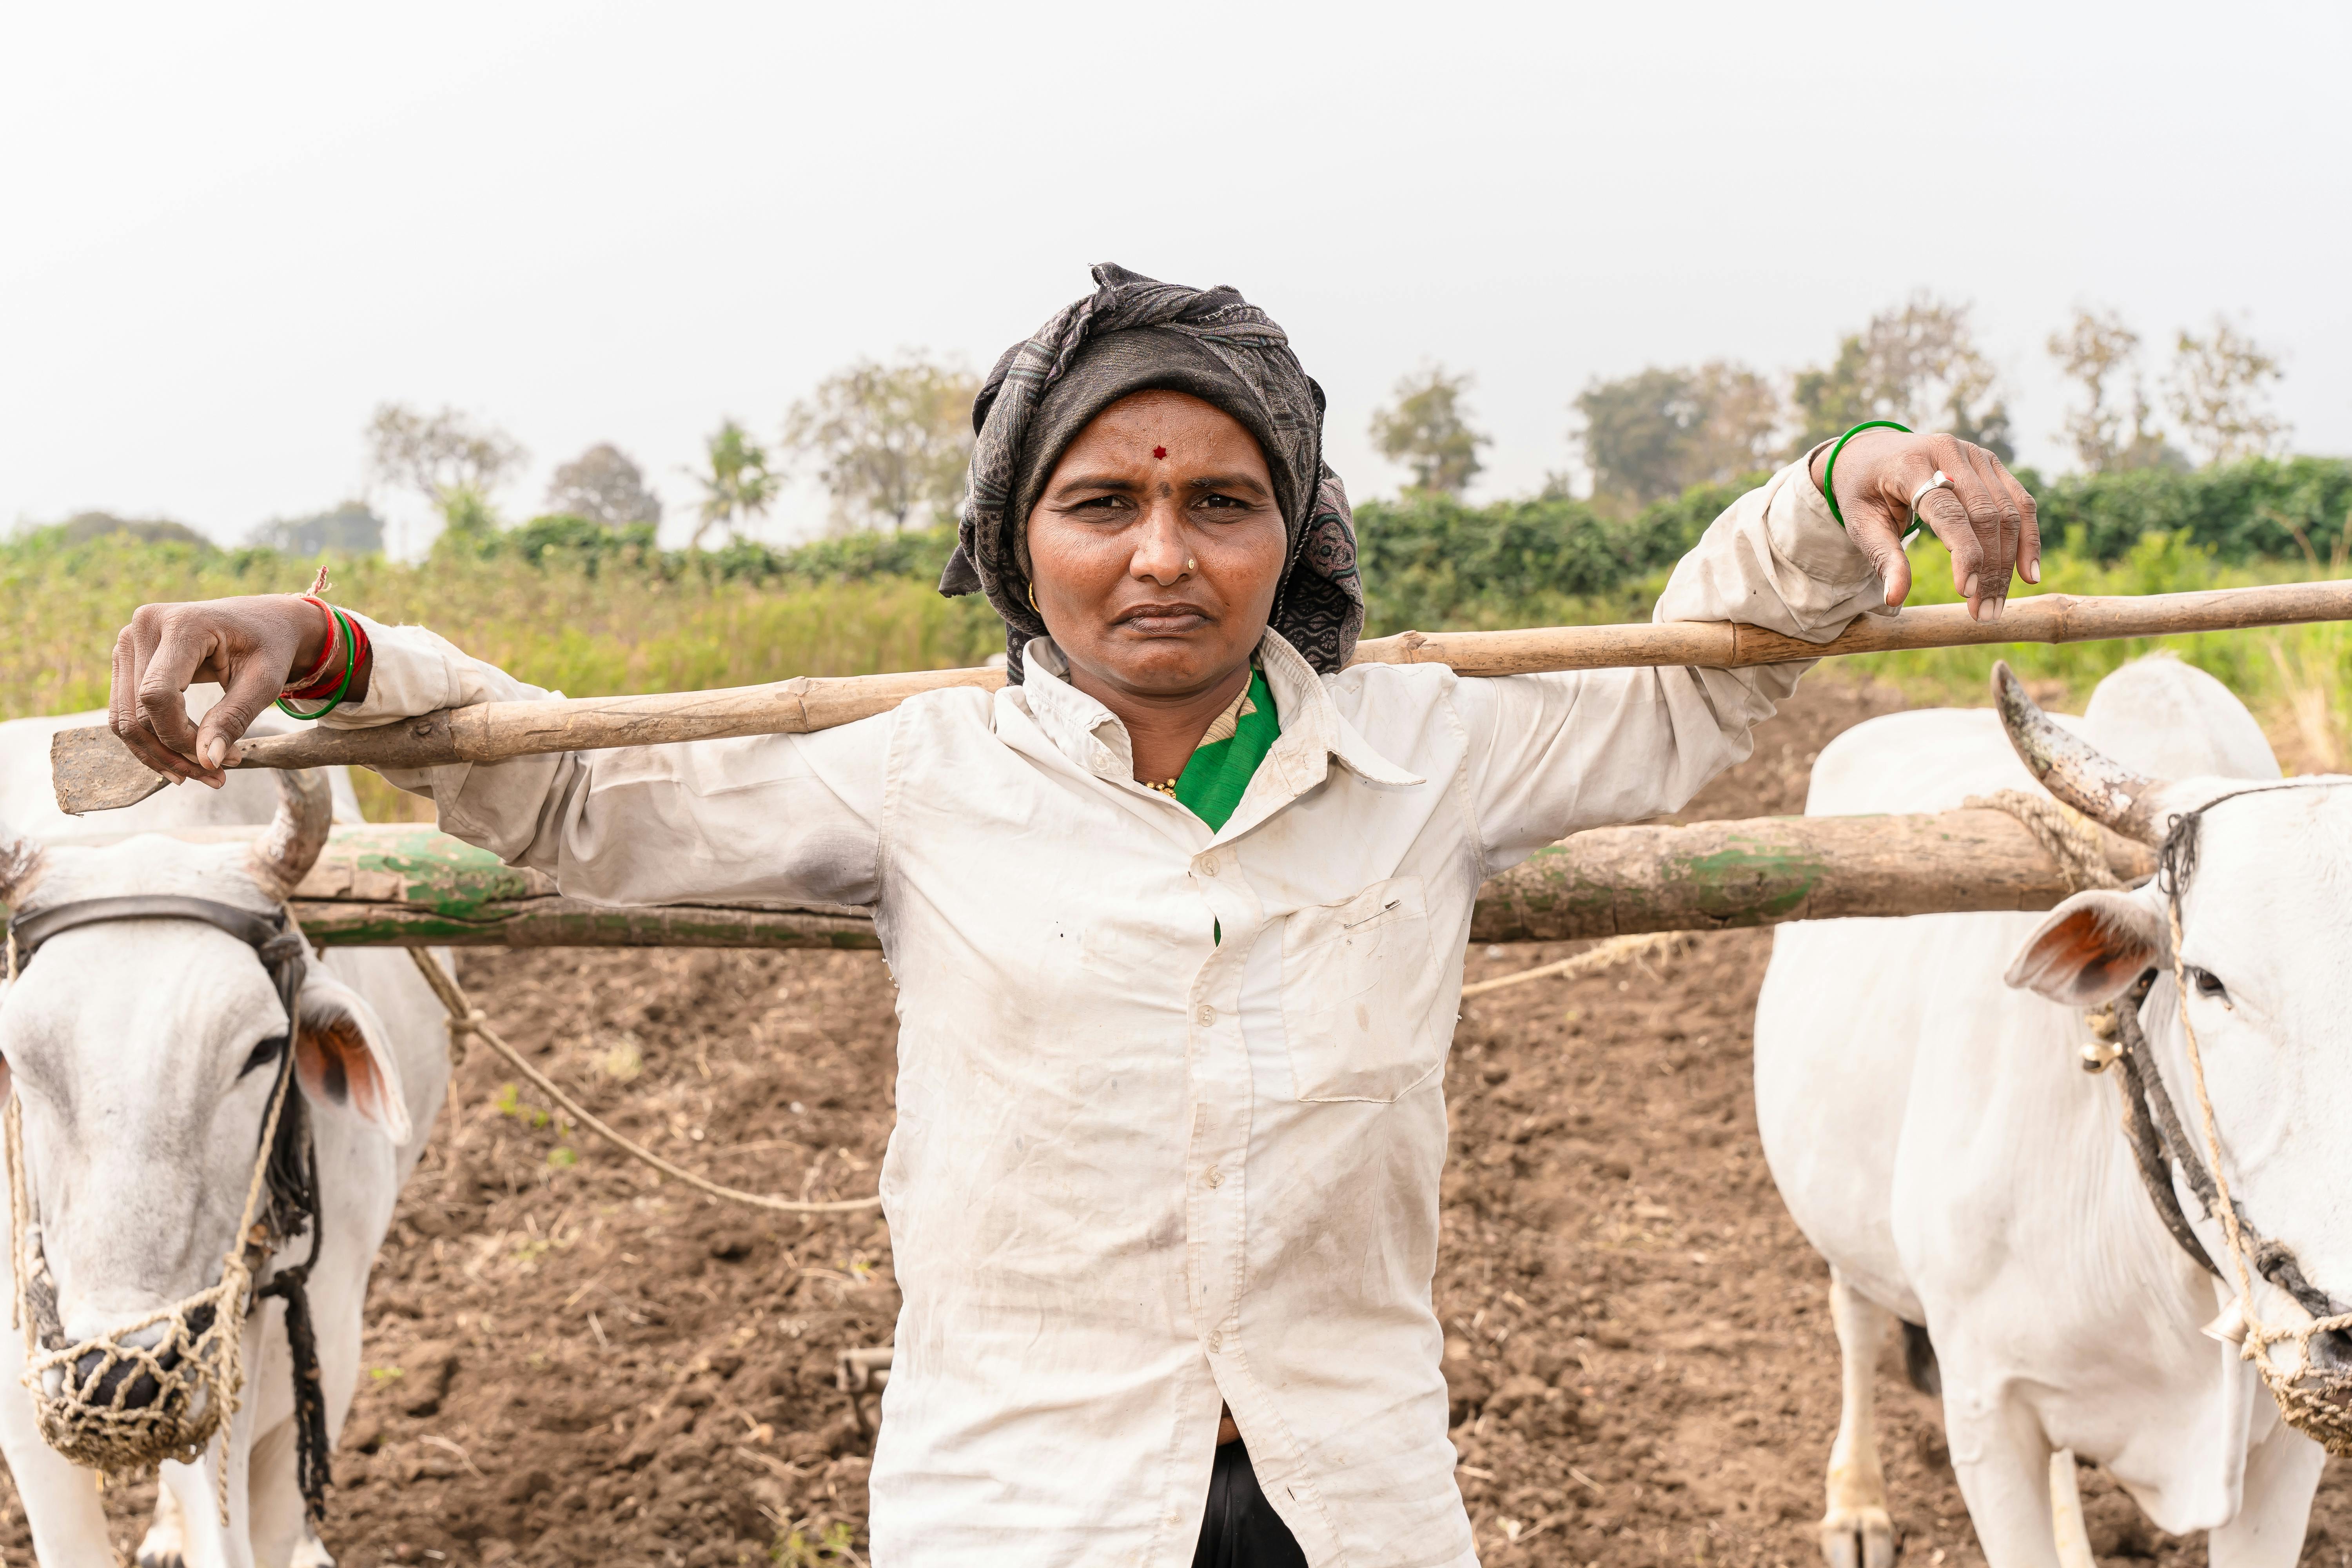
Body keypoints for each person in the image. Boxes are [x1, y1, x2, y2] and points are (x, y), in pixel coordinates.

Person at [109, 264, 2035, 1567]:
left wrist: (1849, 474)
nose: (1163, 554)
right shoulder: (918, 776)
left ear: (1298, 530)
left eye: (1220, 499)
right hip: (1019, 1503)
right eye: (1103, 498)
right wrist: (333, 648)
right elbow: (584, 793)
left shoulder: (1419, 752)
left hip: (1346, 1492)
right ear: (1019, 540)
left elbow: (1685, 683)